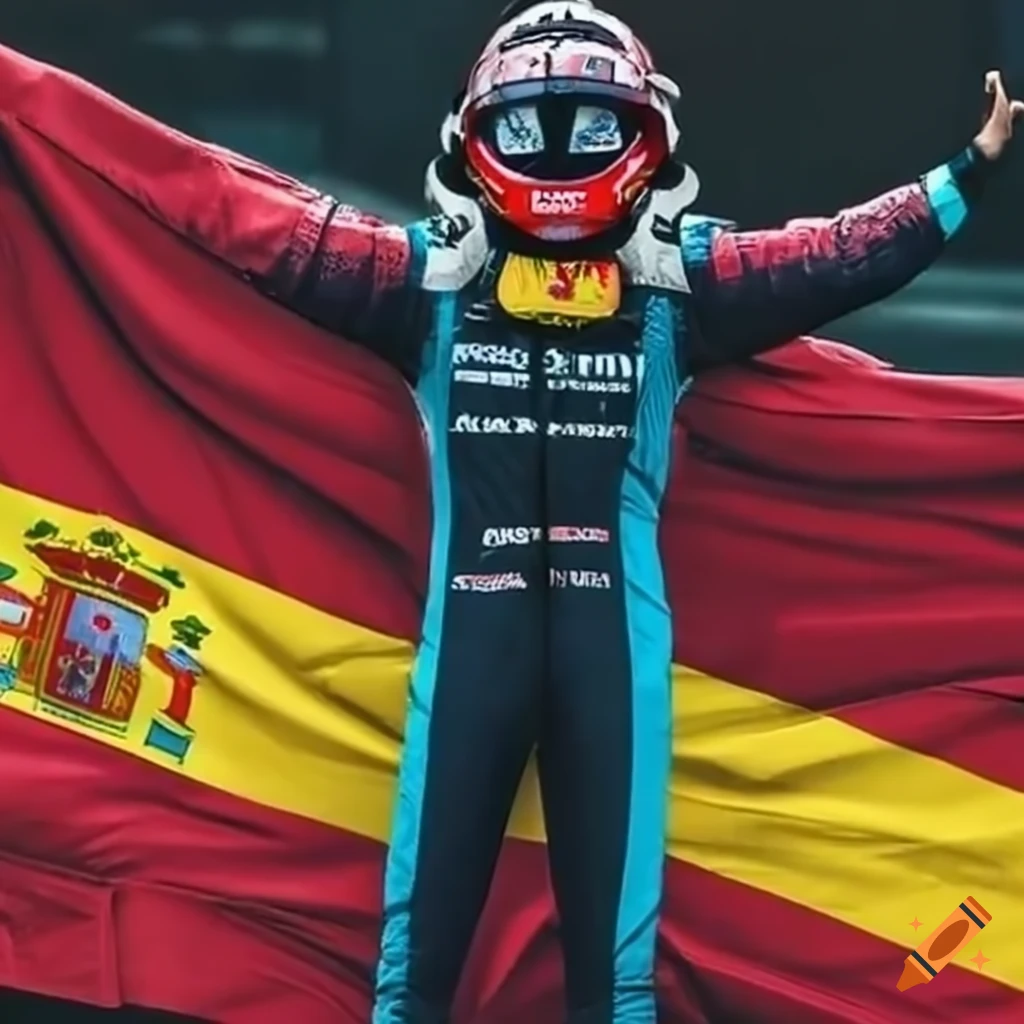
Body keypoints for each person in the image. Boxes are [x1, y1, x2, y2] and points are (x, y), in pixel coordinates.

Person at [1, 3, 1019, 1022]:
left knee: (610, 983)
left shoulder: (677, 285)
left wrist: (966, 169)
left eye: (589, 123)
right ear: (471, 133)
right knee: (415, 972)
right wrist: (31, 103)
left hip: (596, 663)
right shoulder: (427, 279)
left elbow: (838, 256)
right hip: (495, 656)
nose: (560, 152)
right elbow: (224, 207)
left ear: (650, 133)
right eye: (531, 124)